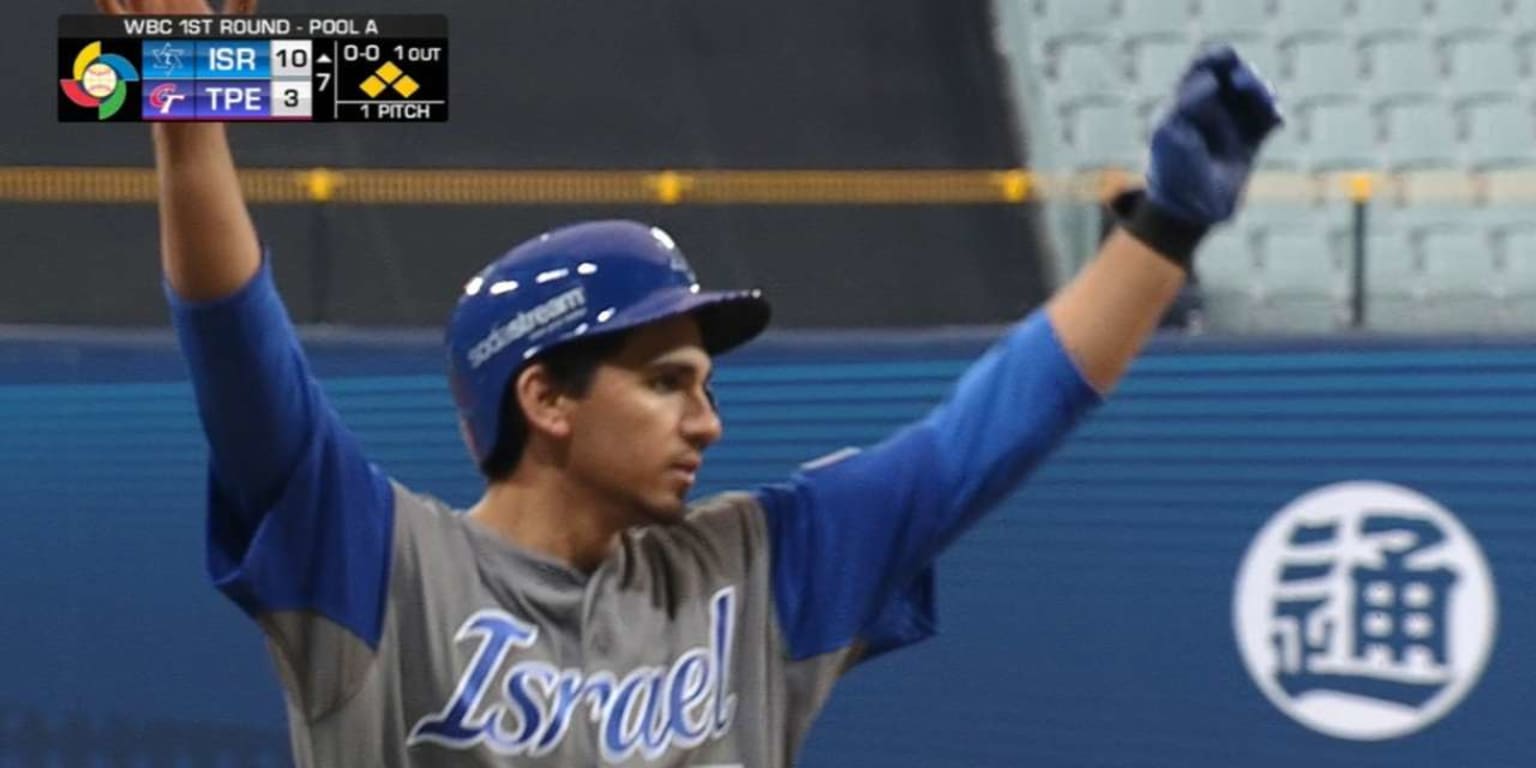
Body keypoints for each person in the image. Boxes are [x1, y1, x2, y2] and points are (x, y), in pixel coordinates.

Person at [103, 0, 1281, 764]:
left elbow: (990, 431)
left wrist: (1166, 230)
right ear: (545, 399)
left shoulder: (758, 568)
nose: (707, 421)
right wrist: (187, 105)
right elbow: (239, 351)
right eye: (665, 382)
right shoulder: (376, 566)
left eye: (704, 383)